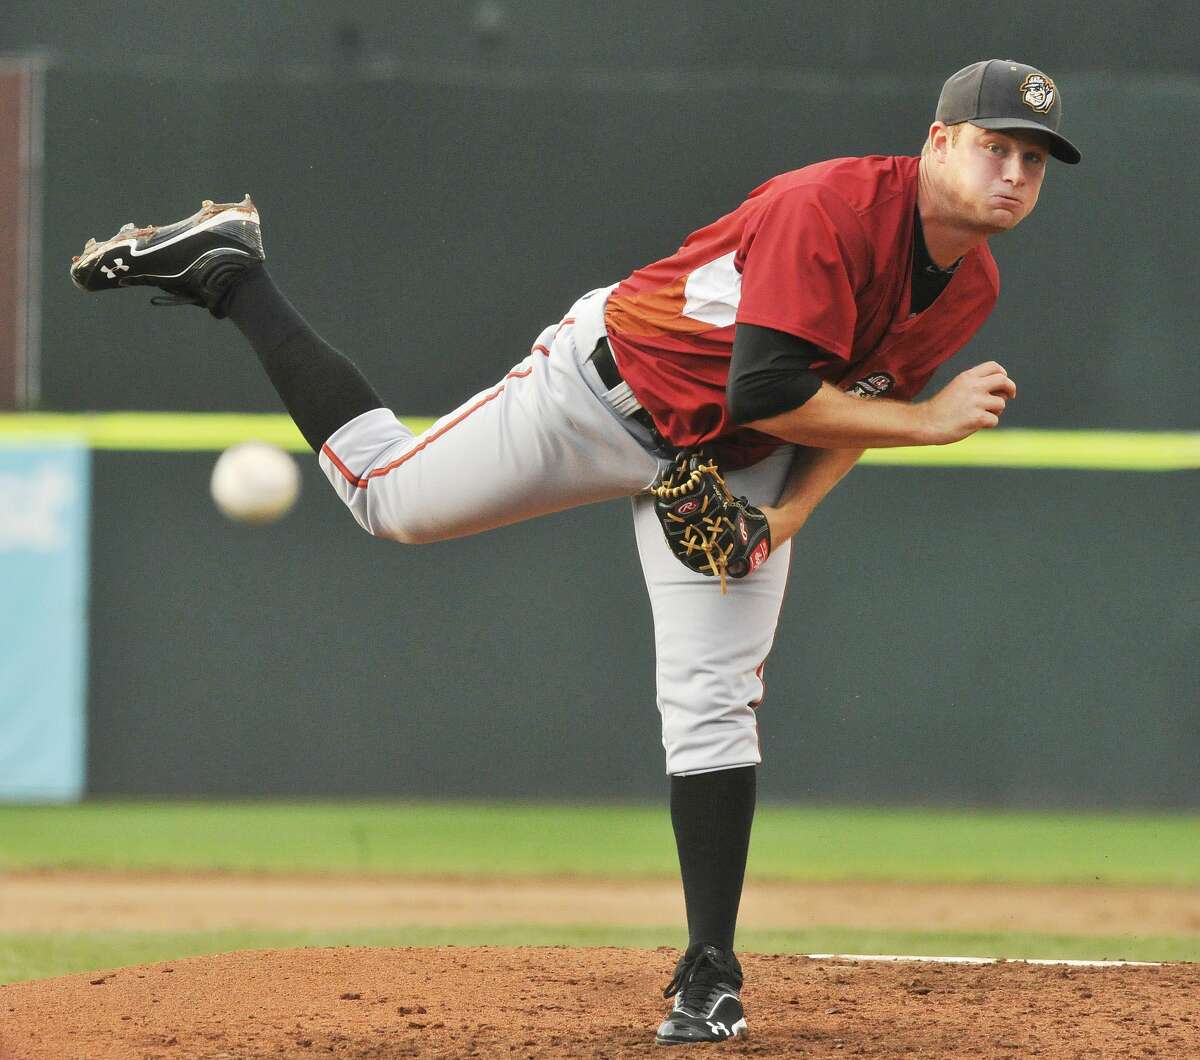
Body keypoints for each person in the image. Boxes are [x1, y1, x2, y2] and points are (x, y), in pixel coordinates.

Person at [70, 58, 1079, 1045]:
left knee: (714, 697)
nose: (1014, 174)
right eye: (993, 147)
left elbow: (853, 410)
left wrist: (783, 520)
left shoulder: (970, 286)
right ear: (937, 141)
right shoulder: (831, 207)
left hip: (741, 461)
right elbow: (769, 386)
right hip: (604, 394)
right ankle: (233, 274)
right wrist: (931, 422)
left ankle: (710, 974)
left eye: (1033, 160)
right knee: (389, 500)